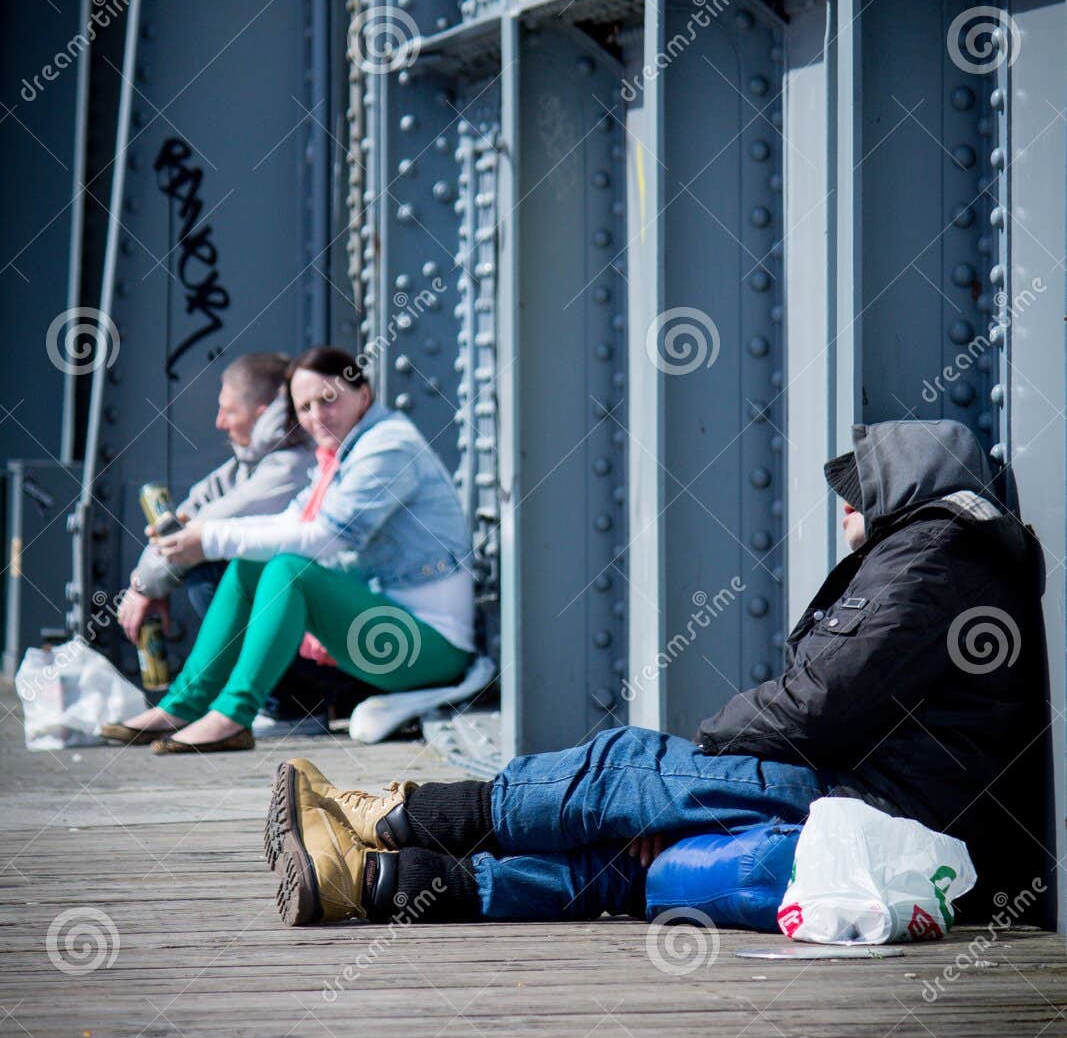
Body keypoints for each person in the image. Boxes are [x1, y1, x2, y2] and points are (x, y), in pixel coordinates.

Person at [259, 419, 1048, 929]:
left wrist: (708, 745)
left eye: (856, 488)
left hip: (878, 804)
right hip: (883, 800)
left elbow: (816, 707)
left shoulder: (928, 561)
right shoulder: (935, 560)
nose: (844, 507)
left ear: (903, 479)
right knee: (613, 859)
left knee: (618, 770)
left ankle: (386, 817)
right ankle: (370, 881)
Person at [101, 347, 476, 752]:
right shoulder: (341, 454)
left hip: (430, 649)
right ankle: (184, 704)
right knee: (250, 567)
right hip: (390, 632)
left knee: (288, 571)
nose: (317, 417)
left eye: (328, 400)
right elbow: (291, 523)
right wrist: (206, 532)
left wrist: (209, 539)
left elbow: (327, 537)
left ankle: (232, 715)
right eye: (305, 407)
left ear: (363, 395)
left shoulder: (388, 448)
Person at [118, 352, 314, 636]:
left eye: (230, 412)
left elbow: (207, 525)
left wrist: (144, 585)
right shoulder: (252, 461)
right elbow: (196, 507)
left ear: (263, 414)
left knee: (207, 578)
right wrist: (147, 582)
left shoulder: (293, 464)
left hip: (311, 622)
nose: (219, 422)